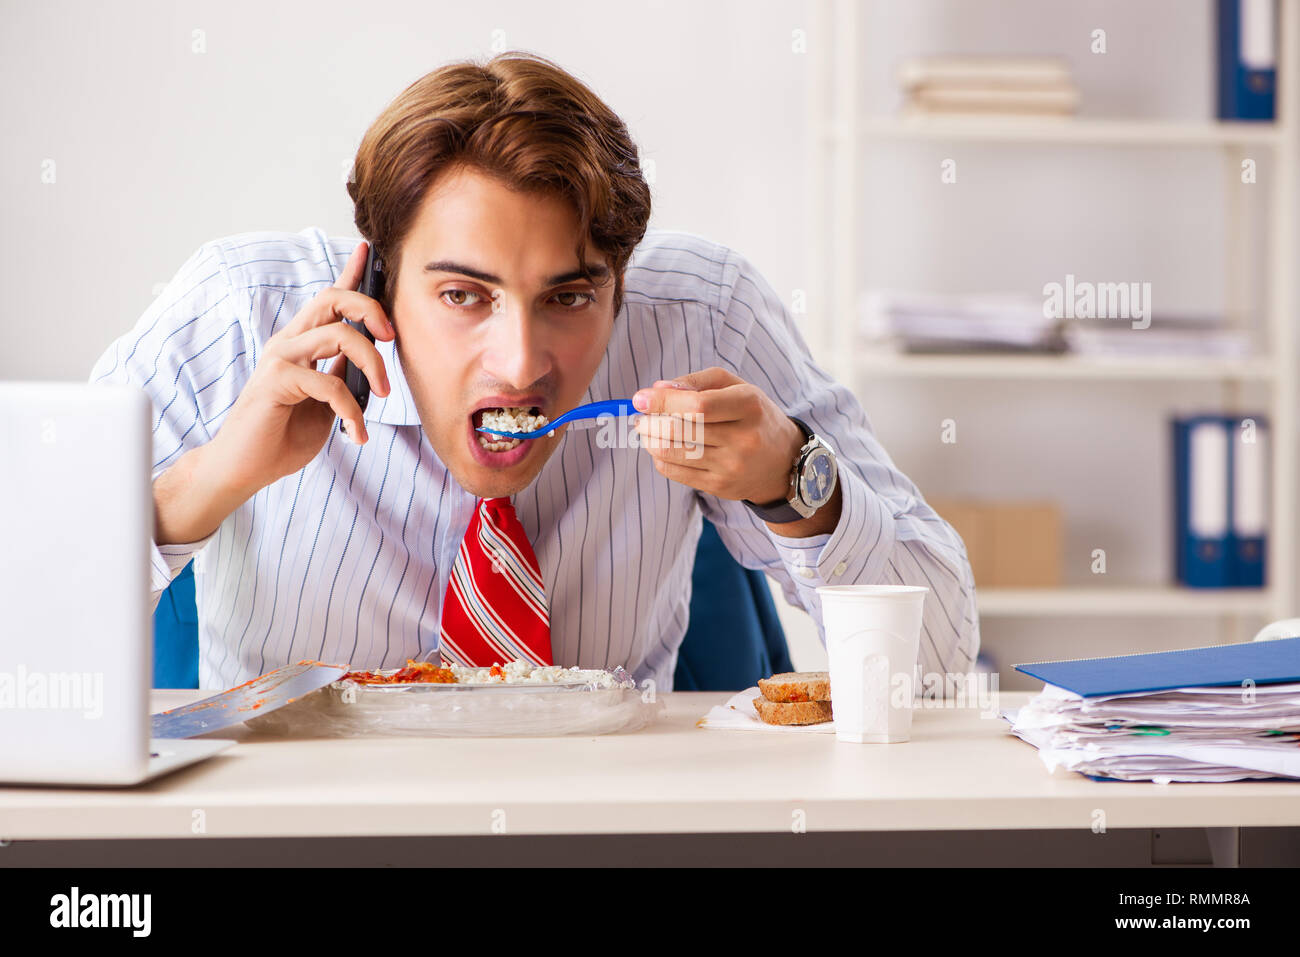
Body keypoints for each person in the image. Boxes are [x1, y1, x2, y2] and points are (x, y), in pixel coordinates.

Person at [91, 51, 979, 689]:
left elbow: (939, 660)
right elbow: (27, 640)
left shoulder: (704, 316)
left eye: (569, 297)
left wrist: (798, 484)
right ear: (379, 280)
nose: (519, 364)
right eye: (463, 297)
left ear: (622, 282)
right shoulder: (237, 313)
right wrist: (207, 482)